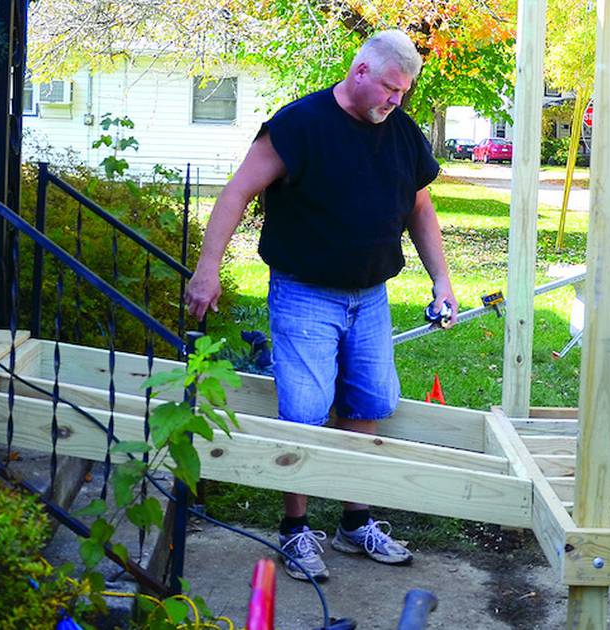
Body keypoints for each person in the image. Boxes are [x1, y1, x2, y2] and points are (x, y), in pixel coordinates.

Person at [183, 30, 458, 582]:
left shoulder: (402, 133)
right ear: (360, 71)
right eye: (389, 89)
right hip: (305, 292)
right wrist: (207, 269)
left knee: (368, 401)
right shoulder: (299, 126)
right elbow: (236, 192)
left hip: (371, 295)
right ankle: (295, 532)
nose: (395, 102)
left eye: (403, 93)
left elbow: (420, 210)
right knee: (306, 413)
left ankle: (354, 522)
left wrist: (442, 281)